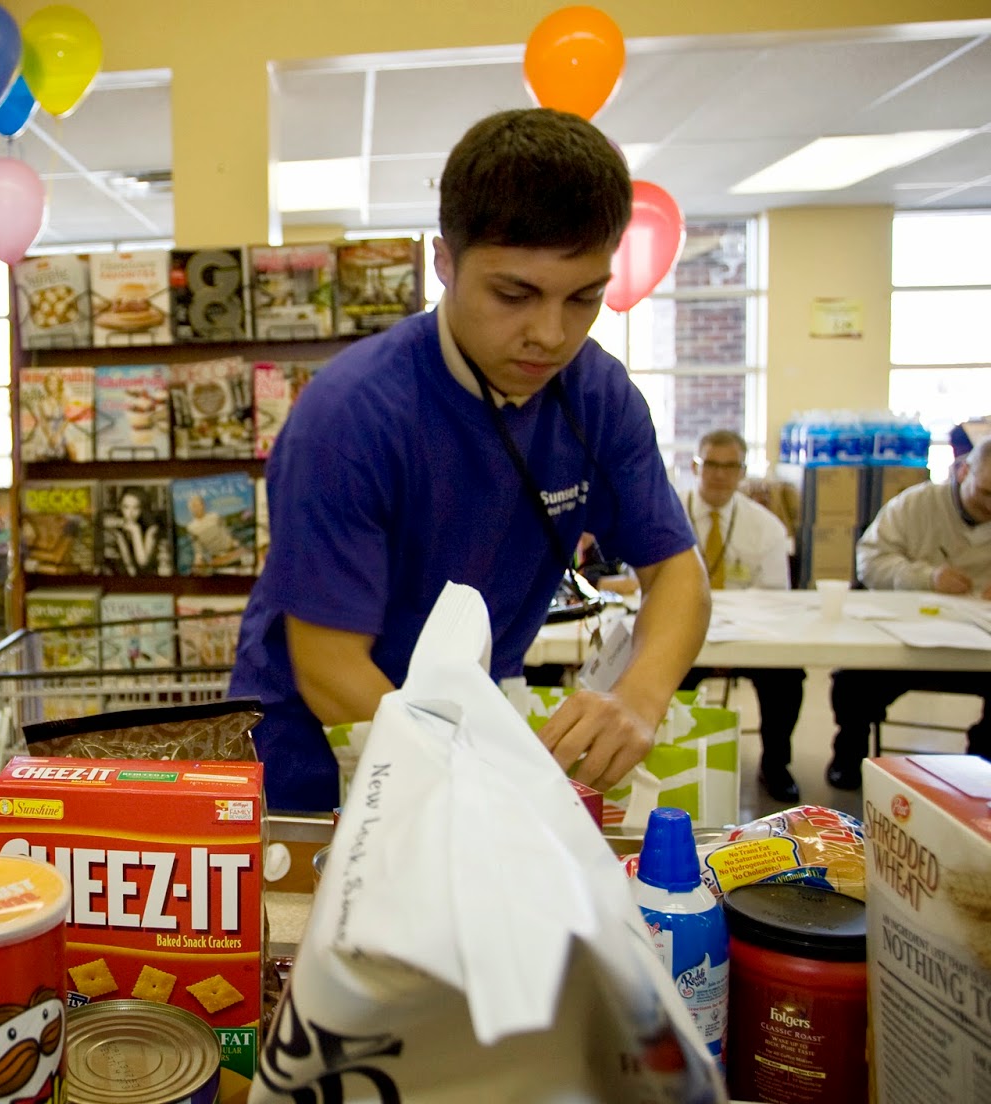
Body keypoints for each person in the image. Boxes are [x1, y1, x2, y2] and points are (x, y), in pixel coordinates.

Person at [229, 108, 710, 812]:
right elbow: (330, 670)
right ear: (444, 262)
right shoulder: (350, 414)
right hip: (319, 754)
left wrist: (636, 698)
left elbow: (678, 573)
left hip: (470, 732)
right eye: (513, 295)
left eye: (584, 298)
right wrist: (473, 783)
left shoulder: (598, 395)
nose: (550, 334)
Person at [825, 436, 991, 788]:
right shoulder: (916, 505)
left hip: (978, 645)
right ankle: (849, 753)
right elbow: (869, 560)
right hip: (905, 639)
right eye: (987, 493)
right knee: (852, 680)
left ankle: (981, 769)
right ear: (963, 472)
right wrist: (927, 577)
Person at [680, 428, 805, 803]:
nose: (719, 474)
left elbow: (774, 597)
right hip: (683, 628)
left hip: (748, 634)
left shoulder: (766, 526)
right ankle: (673, 757)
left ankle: (775, 764)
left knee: (786, 674)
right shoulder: (667, 512)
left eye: (730, 466)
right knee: (661, 666)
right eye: (711, 465)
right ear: (694, 466)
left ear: (742, 471)